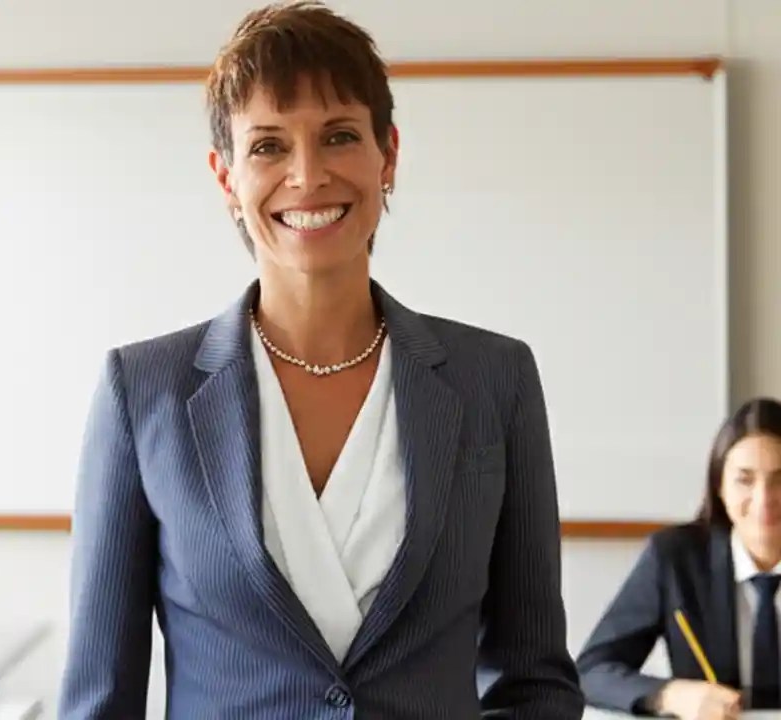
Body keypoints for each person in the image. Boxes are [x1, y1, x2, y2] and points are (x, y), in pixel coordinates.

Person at [57, 2, 584, 717]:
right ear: (226, 177)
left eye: (338, 136)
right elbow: (100, 697)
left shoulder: (495, 379)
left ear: (387, 155)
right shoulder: (143, 391)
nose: (307, 176)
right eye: (269, 146)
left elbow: (533, 681)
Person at [577, 397, 781, 719]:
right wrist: (668, 696)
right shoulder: (674, 558)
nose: (764, 499)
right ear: (720, 488)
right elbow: (591, 672)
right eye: (745, 479)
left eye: (780, 478)